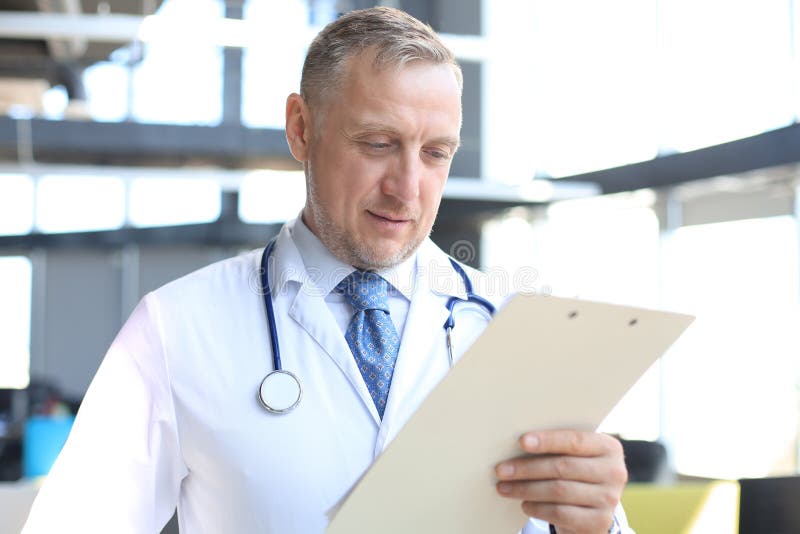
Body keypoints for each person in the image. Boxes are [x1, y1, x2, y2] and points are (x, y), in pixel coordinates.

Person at [22, 7, 630, 534]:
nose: (407, 190)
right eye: (376, 143)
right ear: (301, 129)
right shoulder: (176, 328)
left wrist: (597, 521)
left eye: (436, 153)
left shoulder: (515, 329)